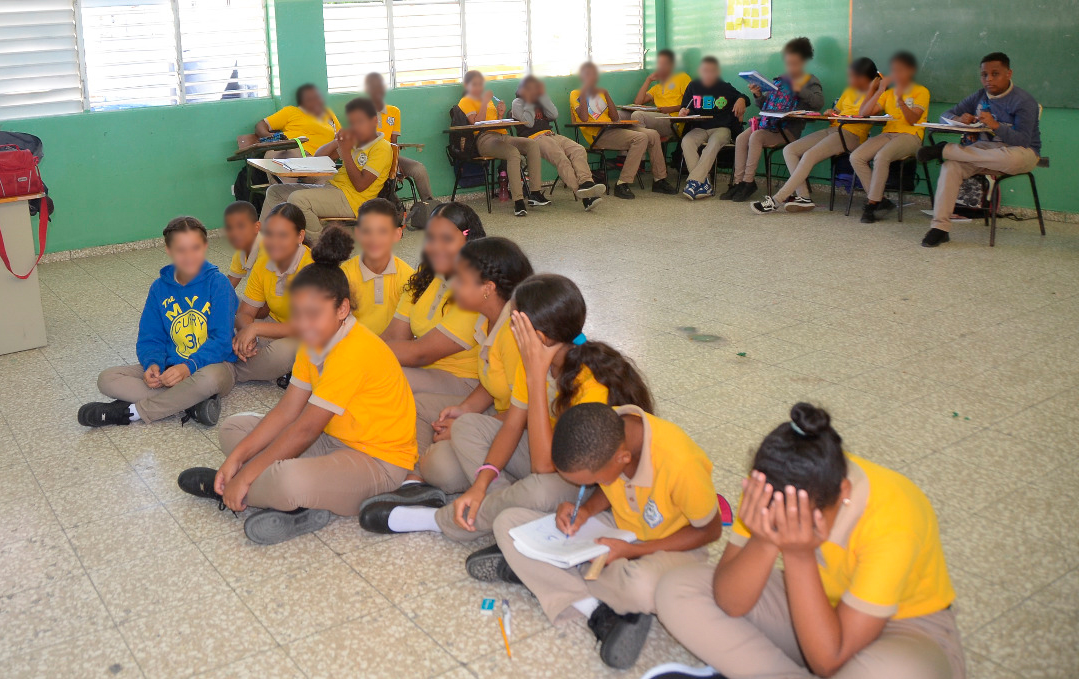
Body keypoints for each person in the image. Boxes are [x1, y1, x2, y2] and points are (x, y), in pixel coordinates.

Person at [362, 274, 653, 575]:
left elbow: (545, 466)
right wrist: (480, 484)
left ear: (538, 337)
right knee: (468, 426)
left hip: (587, 481)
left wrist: (536, 378)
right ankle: (499, 507)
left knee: (538, 490)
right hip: (551, 453)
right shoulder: (540, 361)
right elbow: (513, 426)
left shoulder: (589, 386)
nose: (508, 330)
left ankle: (438, 521)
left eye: (513, 323)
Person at [651, 403, 964, 679]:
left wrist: (800, 557)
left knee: (889, 673)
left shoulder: (894, 515)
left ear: (843, 494)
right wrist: (764, 539)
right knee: (678, 590)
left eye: (801, 517)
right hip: (812, 602)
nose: (786, 525)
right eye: (777, 517)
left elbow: (829, 662)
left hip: (905, 628)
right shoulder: (774, 483)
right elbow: (731, 603)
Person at [176, 227, 417, 545]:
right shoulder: (314, 340)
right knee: (234, 430)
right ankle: (285, 499)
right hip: (334, 439)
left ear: (342, 309)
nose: (304, 324)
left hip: (377, 462)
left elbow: (305, 429)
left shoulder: (354, 350)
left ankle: (229, 487)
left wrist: (245, 472)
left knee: (287, 480)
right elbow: (289, 409)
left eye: (313, 314)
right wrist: (237, 459)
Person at [494, 402, 721, 670]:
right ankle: (595, 608)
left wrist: (634, 551)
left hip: (671, 545)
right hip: (615, 527)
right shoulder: (604, 431)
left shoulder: (680, 463)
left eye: (590, 480)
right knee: (506, 525)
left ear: (622, 459)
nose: (583, 487)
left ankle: (548, 572)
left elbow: (710, 530)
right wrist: (586, 510)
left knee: (641, 587)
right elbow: (610, 484)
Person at [359, 236, 533, 519]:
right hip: (497, 415)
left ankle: (502, 494)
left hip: (522, 428)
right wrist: (464, 409)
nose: (453, 285)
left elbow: (525, 411)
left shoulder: (515, 334)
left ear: (488, 288)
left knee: (440, 467)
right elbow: (491, 381)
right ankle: (415, 483)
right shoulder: (486, 317)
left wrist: (470, 425)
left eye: (462, 279)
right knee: (415, 404)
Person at [81, 216, 238, 428]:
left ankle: (131, 412)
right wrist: (153, 364)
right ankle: (189, 403)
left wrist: (188, 366)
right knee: (107, 379)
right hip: (170, 367)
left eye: (195, 248)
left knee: (207, 381)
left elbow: (222, 340)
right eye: (181, 250)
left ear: (206, 246)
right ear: (168, 250)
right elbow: (150, 337)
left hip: (214, 366)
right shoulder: (159, 288)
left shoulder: (218, 283)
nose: (189, 256)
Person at [380, 202, 485, 453]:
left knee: (385, 377)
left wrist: (361, 353)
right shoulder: (425, 278)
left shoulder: (475, 289)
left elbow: (421, 352)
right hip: (427, 371)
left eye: (446, 238)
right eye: (431, 238)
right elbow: (394, 335)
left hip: (464, 381)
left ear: (468, 240)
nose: (436, 247)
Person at [916, 52, 1042, 248]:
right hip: (983, 151)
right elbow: (944, 115)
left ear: (1009, 74)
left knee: (1011, 159)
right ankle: (940, 228)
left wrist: (996, 126)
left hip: (1020, 152)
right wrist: (958, 119)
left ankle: (945, 149)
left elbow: (1023, 140)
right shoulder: (979, 96)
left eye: (995, 74)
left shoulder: (1024, 101)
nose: (988, 79)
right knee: (951, 167)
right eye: (984, 75)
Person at [752, 57, 880, 215]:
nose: (851, 80)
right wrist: (832, 113)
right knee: (790, 150)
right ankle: (804, 197)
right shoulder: (850, 90)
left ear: (866, 77)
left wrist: (875, 89)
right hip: (834, 129)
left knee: (809, 155)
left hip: (851, 134)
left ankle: (777, 200)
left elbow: (865, 113)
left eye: (854, 76)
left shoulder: (876, 94)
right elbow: (839, 111)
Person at [258, 97, 394, 243]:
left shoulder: (382, 147)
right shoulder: (356, 141)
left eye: (360, 121)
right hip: (334, 189)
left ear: (374, 121)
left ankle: (319, 246)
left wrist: (346, 153)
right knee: (275, 191)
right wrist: (337, 141)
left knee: (298, 199)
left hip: (353, 200)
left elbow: (360, 186)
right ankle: (261, 244)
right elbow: (319, 157)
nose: (356, 127)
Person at [722, 37, 824, 202]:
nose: (791, 67)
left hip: (788, 130)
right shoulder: (781, 80)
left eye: (795, 63)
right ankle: (738, 182)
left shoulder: (810, 80)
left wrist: (799, 89)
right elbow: (766, 107)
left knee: (756, 136)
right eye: (788, 63)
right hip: (768, 125)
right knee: (741, 138)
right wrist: (758, 94)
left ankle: (749, 182)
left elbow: (818, 103)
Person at [234, 203, 314, 386]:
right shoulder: (264, 262)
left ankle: (232, 371)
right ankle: (233, 358)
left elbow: (303, 327)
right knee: (229, 311)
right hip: (274, 324)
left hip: (310, 335)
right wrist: (248, 334)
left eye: (283, 235)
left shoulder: (312, 268)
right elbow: (245, 312)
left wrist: (254, 330)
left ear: (300, 236)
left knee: (285, 352)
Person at [570, 62, 675, 199]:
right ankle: (622, 183)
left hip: (613, 128)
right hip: (598, 134)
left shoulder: (600, 94)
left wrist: (607, 95)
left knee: (653, 134)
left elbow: (614, 118)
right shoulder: (575, 94)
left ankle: (659, 180)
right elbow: (583, 118)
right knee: (640, 138)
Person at [456, 70, 550, 217]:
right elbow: (476, 123)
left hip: (502, 136)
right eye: (474, 84)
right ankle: (518, 201)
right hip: (483, 139)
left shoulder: (488, 102)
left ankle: (535, 193)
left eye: (480, 84)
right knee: (512, 153)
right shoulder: (466, 101)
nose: (479, 87)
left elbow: (498, 124)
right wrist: (484, 103)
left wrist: (500, 114)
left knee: (532, 145)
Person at [848, 51, 929, 223]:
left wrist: (900, 101)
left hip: (911, 136)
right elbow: (864, 113)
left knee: (882, 156)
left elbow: (913, 119)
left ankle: (872, 204)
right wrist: (877, 90)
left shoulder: (921, 91)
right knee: (856, 156)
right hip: (889, 134)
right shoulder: (889, 93)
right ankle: (881, 200)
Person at [509, 75, 607, 209]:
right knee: (561, 158)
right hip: (534, 138)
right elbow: (529, 123)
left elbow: (554, 115)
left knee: (578, 149)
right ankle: (584, 194)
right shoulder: (517, 103)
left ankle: (587, 184)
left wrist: (543, 97)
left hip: (551, 135)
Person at [676, 57, 749, 200]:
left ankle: (695, 181)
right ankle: (705, 184)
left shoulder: (724, 87)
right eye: (705, 71)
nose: (708, 74)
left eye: (711, 71)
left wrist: (741, 100)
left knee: (713, 143)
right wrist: (683, 111)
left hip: (721, 128)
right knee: (687, 141)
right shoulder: (693, 86)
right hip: (700, 127)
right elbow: (685, 107)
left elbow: (744, 96)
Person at [341, 198, 414, 335]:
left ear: (397, 234)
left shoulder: (408, 278)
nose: (374, 239)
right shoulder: (344, 275)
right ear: (358, 233)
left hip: (393, 350)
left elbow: (405, 332)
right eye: (367, 231)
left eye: (382, 231)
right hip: (353, 348)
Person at [365, 71, 433, 202]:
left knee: (419, 169)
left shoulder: (394, 111)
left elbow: (394, 142)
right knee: (385, 180)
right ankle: (390, 207)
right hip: (372, 159)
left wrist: (395, 164)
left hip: (391, 156)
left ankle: (429, 207)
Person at [254, 83, 341, 151]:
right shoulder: (290, 111)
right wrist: (269, 137)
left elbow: (341, 136)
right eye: (310, 99)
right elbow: (261, 125)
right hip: (293, 151)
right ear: (301, 102)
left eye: (317, 98)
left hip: (321, 157)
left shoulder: (327, 113)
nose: (315, 102)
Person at [632, 48, 693, 142]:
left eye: (665, 64)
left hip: (674, 121)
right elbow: (638, 102)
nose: (662, 67)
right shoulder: (657, 87)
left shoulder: (682, 78)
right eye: (660, 64)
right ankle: (625, 156)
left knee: (637, 115)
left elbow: (692, 103)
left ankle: (642, 154)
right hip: (658, 119)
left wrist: (671, 109)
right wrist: (648, 80)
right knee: (625, 117)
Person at [223, 201, 264, 289]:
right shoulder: (241, 251)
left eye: (241, 226)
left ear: (256, 227)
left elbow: (269, 297)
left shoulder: (268, 252)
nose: (235, 233)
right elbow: (227, 287)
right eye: (230, 228)